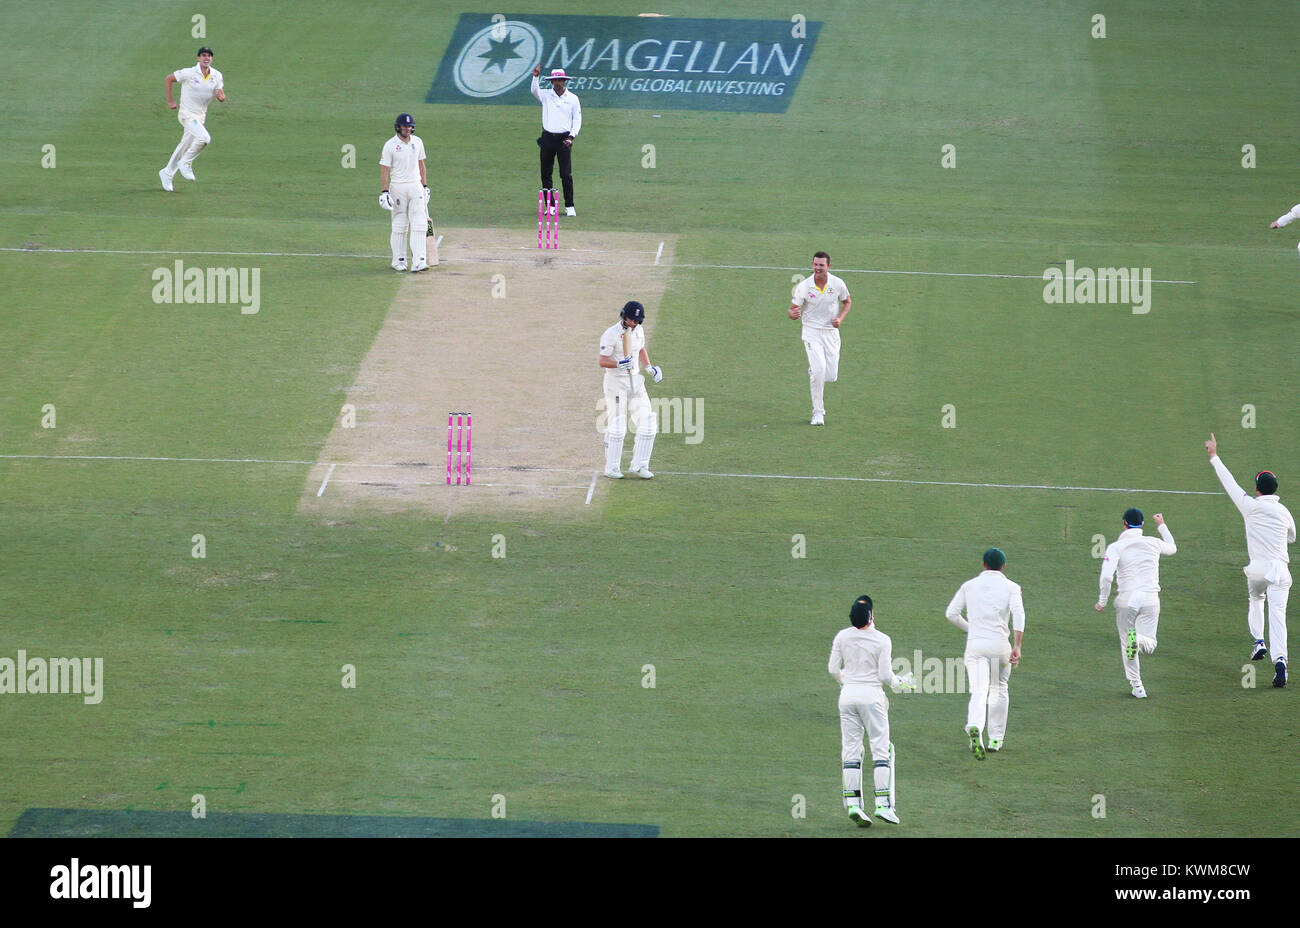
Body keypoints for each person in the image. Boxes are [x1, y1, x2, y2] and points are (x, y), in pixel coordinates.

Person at [1206, 433, 1296, 687]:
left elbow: (1229, 482)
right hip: (1281, 570)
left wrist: (1214, 456)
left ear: (1257, 489)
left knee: (1256, 598)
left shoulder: (1249, 506)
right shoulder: (1284, 511)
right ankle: (1280, 662)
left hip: (1258, 570)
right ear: (1275, 489)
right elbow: (1292, 537)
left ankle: (1258, 640)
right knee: (1278, 615)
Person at [828, 594, 914, 827]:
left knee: (851, 750)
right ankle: (883, 804)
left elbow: (833, 668)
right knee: (881, 749)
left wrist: (847, 682)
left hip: (847, 698)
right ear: (871, 616)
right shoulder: (882, 640)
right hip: (872, 698)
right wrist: (902, 683)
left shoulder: (842, 636)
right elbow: (886, 676)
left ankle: (853, 804)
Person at [945, 548, 1025, 759]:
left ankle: (975, 726)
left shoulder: (969, 586)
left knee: (979, 690)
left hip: (976, 646)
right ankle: (996, 739)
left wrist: (971, 629)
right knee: (999, 688)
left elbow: (951, 614)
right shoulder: (1012, 587)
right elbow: (1018, 614)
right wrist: (1017, 645)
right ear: (1004, 566)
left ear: (983, 564)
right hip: (1000, 646)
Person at [1095, 509, 1177, 698]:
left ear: (1124, 523)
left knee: (1127, 643)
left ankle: (1137, 686)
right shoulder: (1152, 542)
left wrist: (1102, 601)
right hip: (1149, 599)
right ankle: (1139, 640)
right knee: (1150, 643)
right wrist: (1161, 525)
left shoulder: (1116, 547)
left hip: (1126, 600)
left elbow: (1107, 577)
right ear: (1141, 524)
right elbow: (1172, 548)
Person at [598, 301, 662, 479]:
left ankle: (640, 466)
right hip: (616, 382)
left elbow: (640, 349)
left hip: (636, 381)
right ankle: (611, 468)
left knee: (648, 423)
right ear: (623, 316)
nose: (633, 323)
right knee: (618, 427)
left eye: (636, 320)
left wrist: (649, 367)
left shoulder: (639, 330)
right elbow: (602, 361)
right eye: (631, 319)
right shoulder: (611, 334)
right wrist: (618, 363)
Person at [788, 252, 851, 426]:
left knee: (830, 376)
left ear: (828, 267)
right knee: (819, 371)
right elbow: (792, 310)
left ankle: (815, 372)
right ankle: (818, 412)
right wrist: (792, 314)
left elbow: (847, 302)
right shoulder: (804, 286)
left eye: (821, 265)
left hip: (830, 333)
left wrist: (839, 319)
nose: (817, 268)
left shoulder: (837, 283)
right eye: (815, 264)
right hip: (811, 332)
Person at [159, 47, 226, 191]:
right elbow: (169, 79)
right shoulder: (189, 73)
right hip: (187, 114)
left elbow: (219, 91)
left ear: (211, 58)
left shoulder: (217, 75)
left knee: (184, 146)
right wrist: (170, 101)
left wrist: (221, 96)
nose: (206, 58)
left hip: (201, 116)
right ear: (198, 58)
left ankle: (167, 173)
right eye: (203, 55)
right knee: (204, 138)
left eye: (208, 56)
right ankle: (185, 163)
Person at [379, 114, 430, 272]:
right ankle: (398, 261)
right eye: (404, 126)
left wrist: (425, 186)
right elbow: (384, 169)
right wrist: (384, 192)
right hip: (398, 187)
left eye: (409, 126)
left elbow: (422, 165)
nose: (407, 129)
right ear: (398, 127)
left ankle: (419, 261)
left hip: (415, 186)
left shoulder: (418, 142)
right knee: (400, 224)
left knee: (420, 223)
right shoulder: (390, 145)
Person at [531, 66, 581, 217]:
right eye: (555, 81)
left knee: (565, 174)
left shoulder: (572, 98)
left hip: (564, 140)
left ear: (564, 81)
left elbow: (577, 119)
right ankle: (551, 206)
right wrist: (535, 76)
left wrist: (571, 137)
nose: (557, 83)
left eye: (560, 80)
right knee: (546, 173)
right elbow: (534, 91)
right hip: (547, 138)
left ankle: (569, 206)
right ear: (551, 82)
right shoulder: (546, 95)